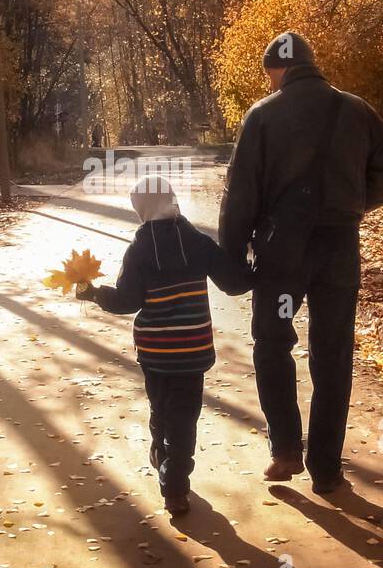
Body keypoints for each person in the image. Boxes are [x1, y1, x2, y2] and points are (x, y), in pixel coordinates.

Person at [218, 31, 383, 495]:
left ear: (277, 70)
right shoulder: (359, 111)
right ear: (311, 64)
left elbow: (241, 196)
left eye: (269, 75)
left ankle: (284, 450)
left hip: (283, 255)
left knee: (274, 343)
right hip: (339, 249)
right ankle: (326, 467)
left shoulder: (262, 115)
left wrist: (233, 261)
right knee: (333, 355)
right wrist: (347, 207)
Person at [77, 174, 252, 515]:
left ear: (141, 210)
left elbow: (128, 301)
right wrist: (256, 269)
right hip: (191, 350)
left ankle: (166, 466)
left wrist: (94, 293)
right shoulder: (196, 242)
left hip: (156, 353)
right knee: (184, 417)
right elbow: (232, 282)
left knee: (161, 408)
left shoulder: (139, 249)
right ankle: (175, 483)